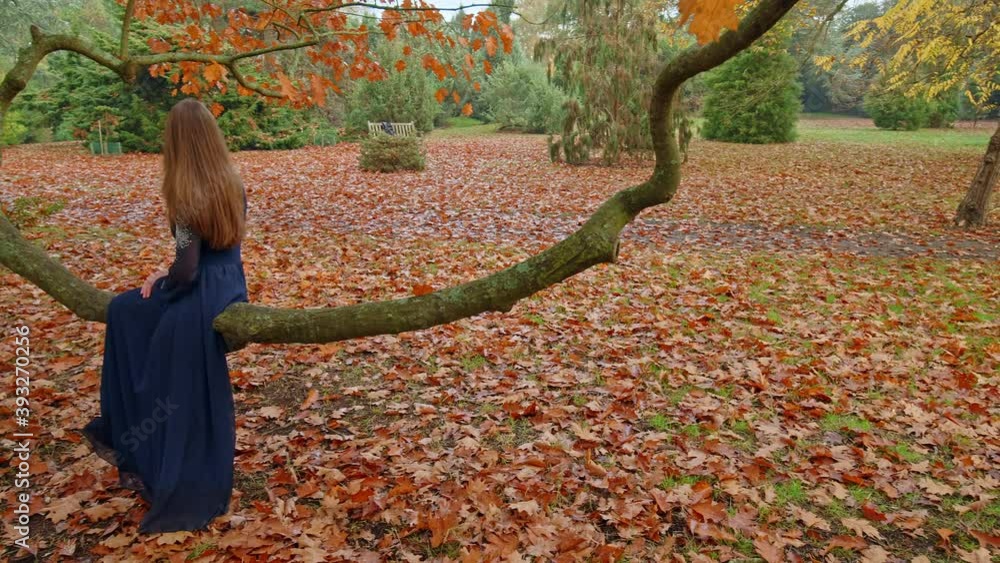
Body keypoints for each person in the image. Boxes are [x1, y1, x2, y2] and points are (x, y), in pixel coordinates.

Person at [80, 98, 249, 533]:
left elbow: (189, 271)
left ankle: (137, 443)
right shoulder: (231, 181)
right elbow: (205, 257)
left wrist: (166, 279)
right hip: (229, 284)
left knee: (125, 312)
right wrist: (168, 271)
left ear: (176, 143)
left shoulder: (186, 194)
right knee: (135, 315)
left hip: (198, 294)